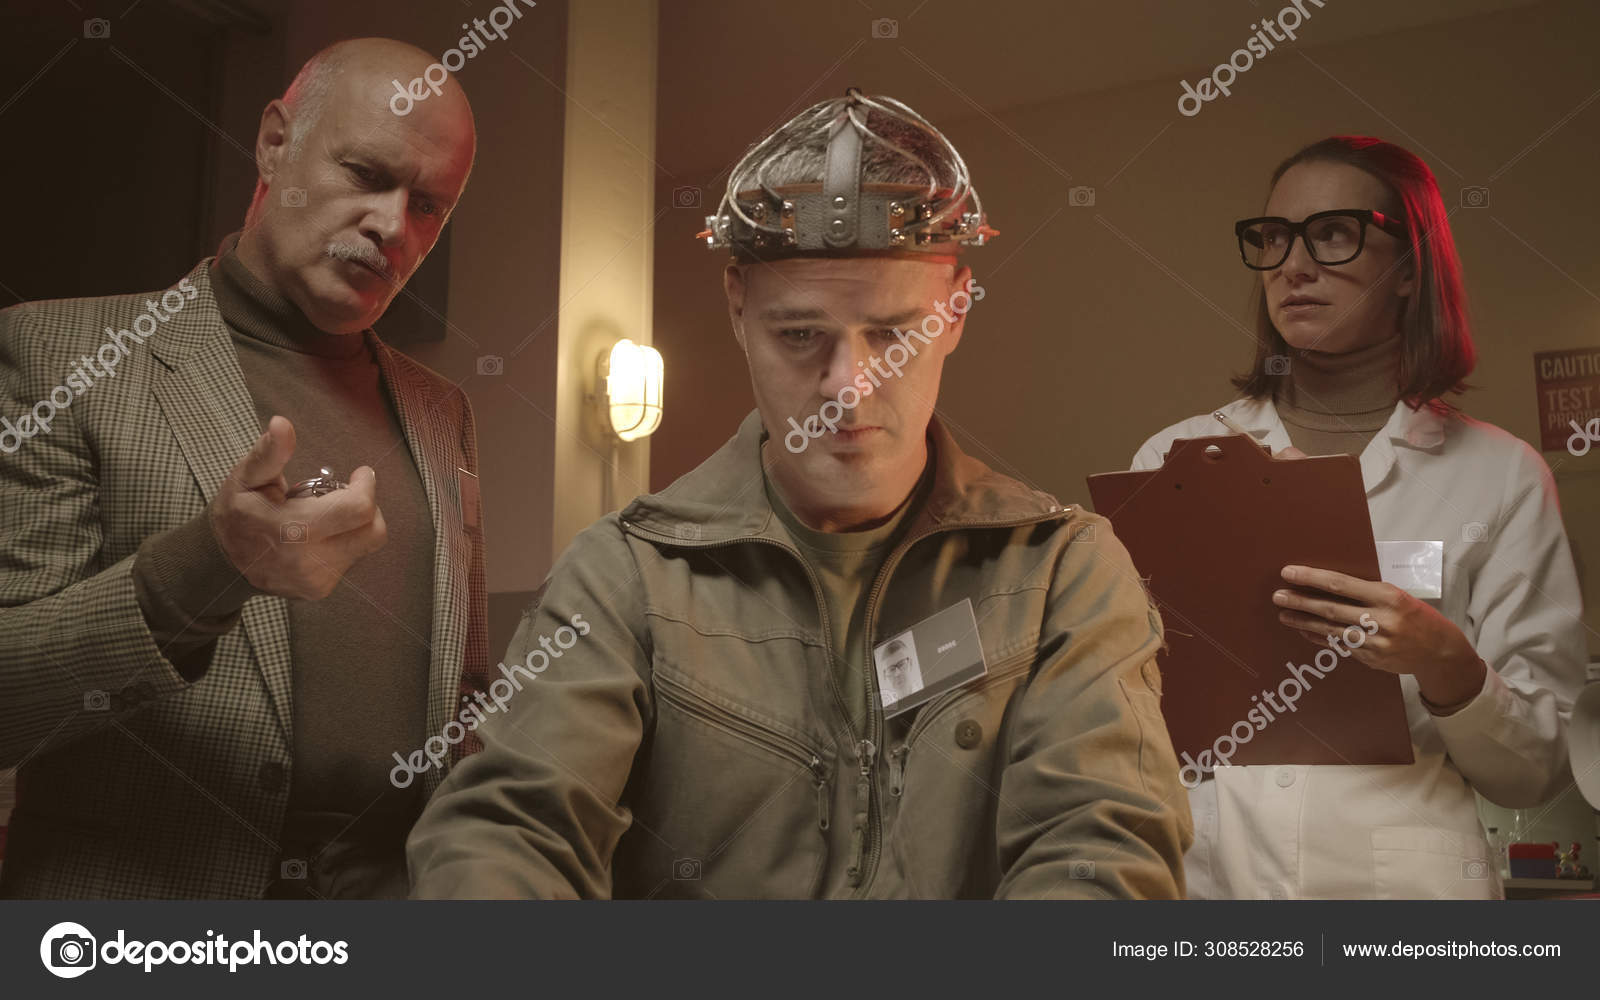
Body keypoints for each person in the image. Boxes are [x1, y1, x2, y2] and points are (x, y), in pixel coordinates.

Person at [408, 90, 1193, 899]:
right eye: (800, 336)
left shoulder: (1062, 570)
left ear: (956, 310)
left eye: (893, 333)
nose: (849, 387)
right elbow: (511, 830)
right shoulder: (626, 573)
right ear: (737, 307)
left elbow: (1102, 852)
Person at [0, 38, 487, 899]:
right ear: (275, 142)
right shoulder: (63, 356)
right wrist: (209, 568)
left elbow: (467, 697)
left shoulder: (441, 411)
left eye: (429, 207)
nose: (392, 225)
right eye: (367, 173)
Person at [1131, 135, 1587, 899]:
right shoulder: (1172, 458)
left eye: (1333, 234)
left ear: (1411, 269)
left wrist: (1447, 666)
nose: (1292, 266)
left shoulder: (1500, 476)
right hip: (1205, 880)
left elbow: (1536, 771)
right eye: (1273, 238)